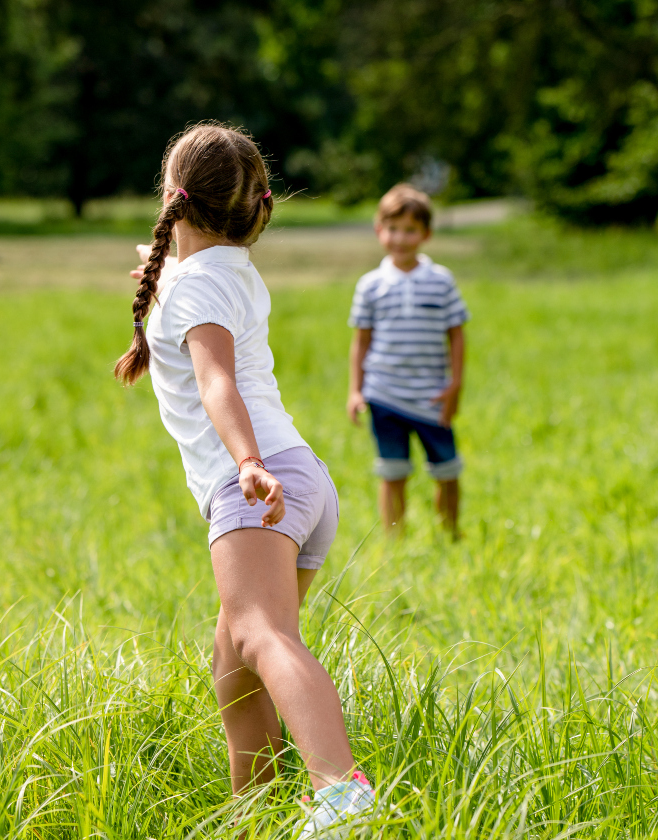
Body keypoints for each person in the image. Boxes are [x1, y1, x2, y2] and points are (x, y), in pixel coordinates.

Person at [115, 123, 374, 835]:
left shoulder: (196, 284)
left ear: (172, 197)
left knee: (262, 636)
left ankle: (340, 790)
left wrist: (246, 462)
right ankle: (254, 817)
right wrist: (163, 273)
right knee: (235, 669)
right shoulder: (225, 269)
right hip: (303, 480)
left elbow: (217, 384)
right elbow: (188, 285)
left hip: (258, 482)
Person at [346, 184, 470, 537]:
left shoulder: (441, 282)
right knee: (392, 471)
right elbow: (361, 341)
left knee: (447, 471)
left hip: (432, 396)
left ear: (426, 234)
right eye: (393, 228)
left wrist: (455, 385)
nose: (401, 238)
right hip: (384, 394)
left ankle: (451, 533)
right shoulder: (369, 285)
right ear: (379, 230)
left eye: (411, 230)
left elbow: (457, 335)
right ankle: (394, 540)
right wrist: (355, 391)